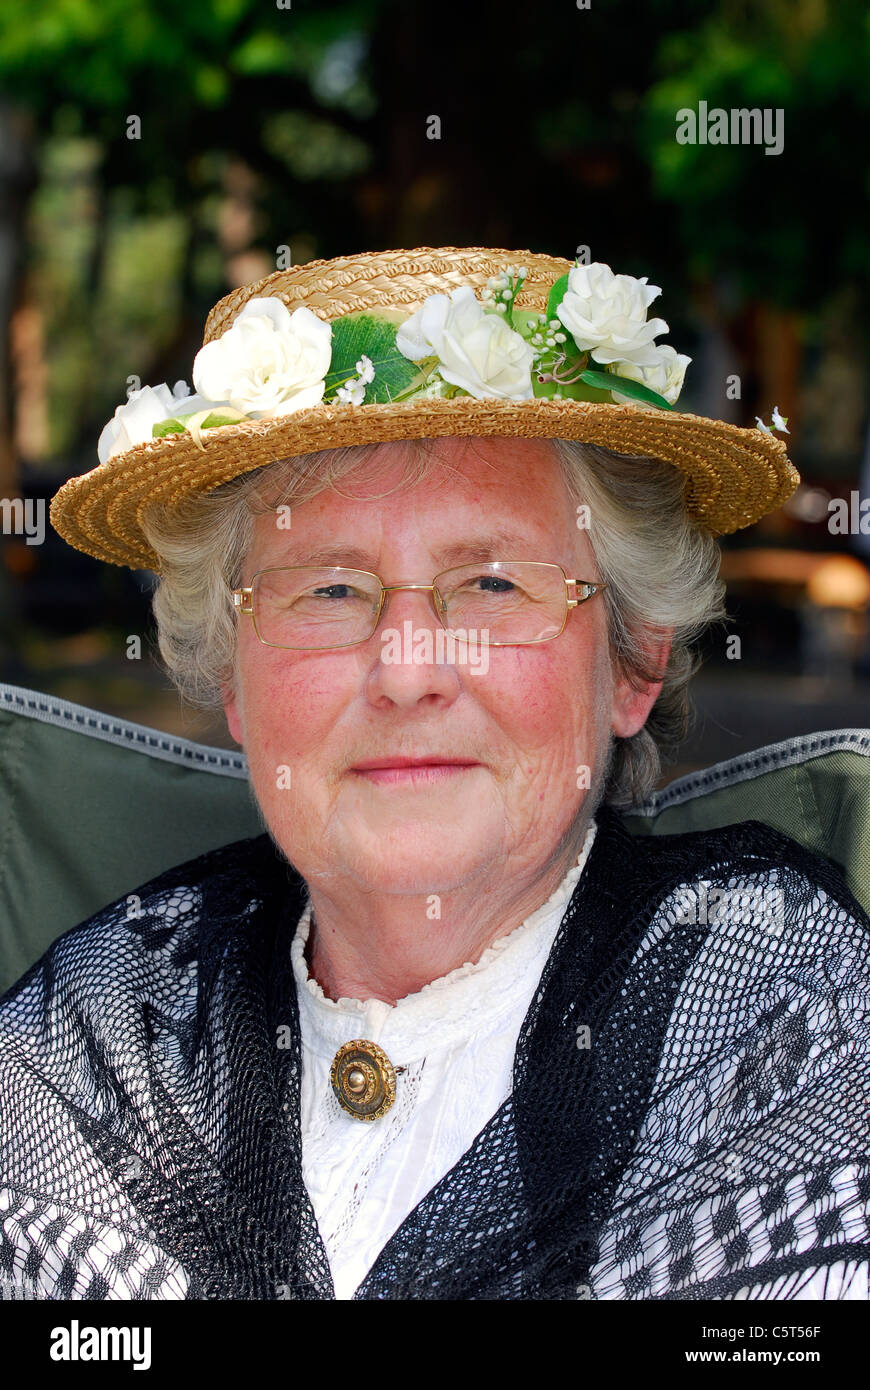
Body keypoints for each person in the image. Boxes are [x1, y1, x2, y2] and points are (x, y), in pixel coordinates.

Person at [1, 246, 868, 1301]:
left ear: (632, 661)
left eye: (494, 581)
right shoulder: (94, 1032)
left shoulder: (781, 1017)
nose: (409, 670)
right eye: (328, 590)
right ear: (236, 681)